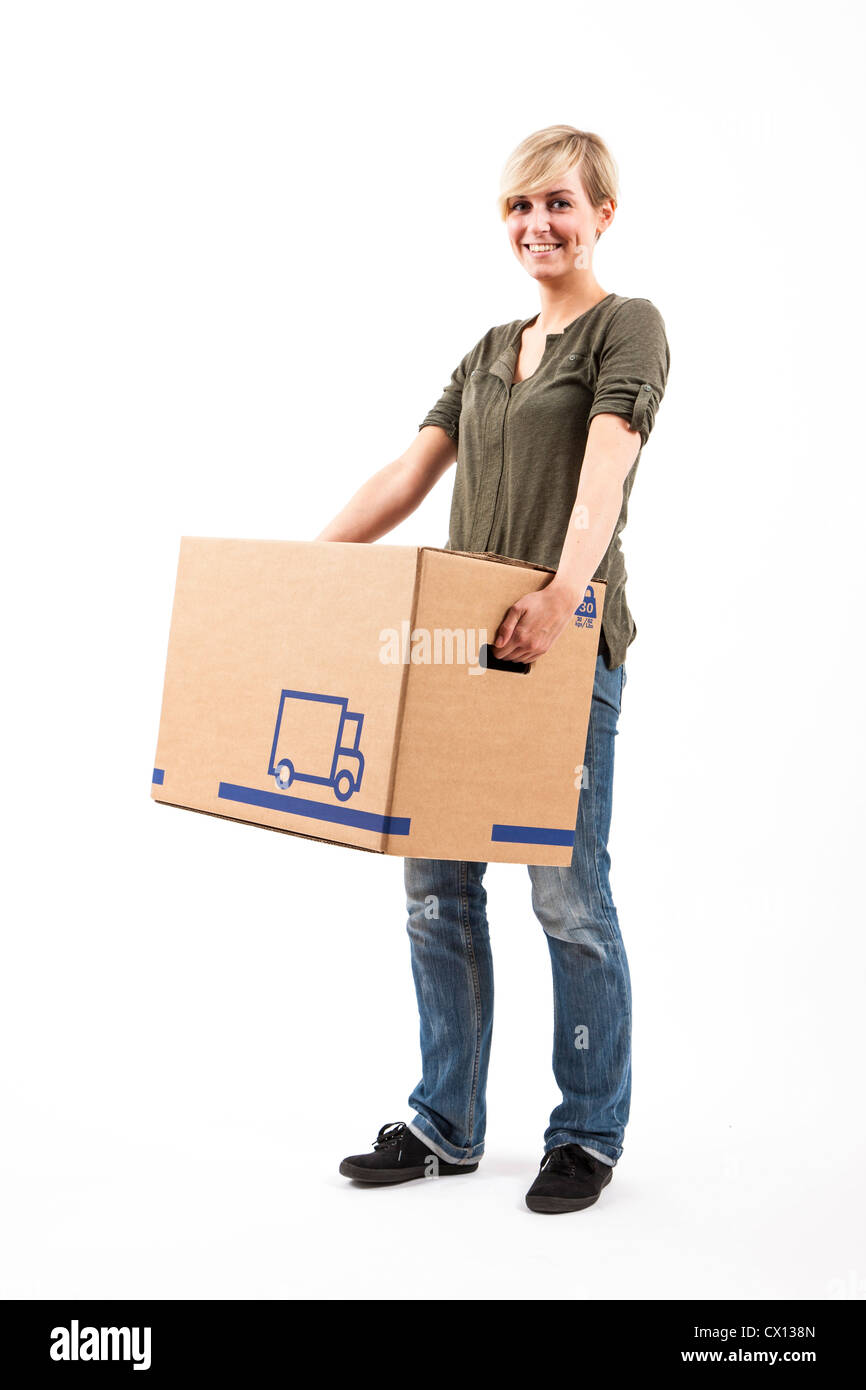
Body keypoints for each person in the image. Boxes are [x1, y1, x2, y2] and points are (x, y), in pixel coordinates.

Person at [316, 125, 670, 1214]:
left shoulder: (628, 327)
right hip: (458, 652)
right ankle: (444, 1122)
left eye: (558, 204)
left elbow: (605, 466)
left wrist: (563, 597)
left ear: (601, 213)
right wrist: (304, 574)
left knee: (565, 893)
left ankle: (586, 1132)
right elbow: (409, 470)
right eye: (520, 208)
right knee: (434, 890)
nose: (538, 225)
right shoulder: (484, 348)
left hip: (563, 649)